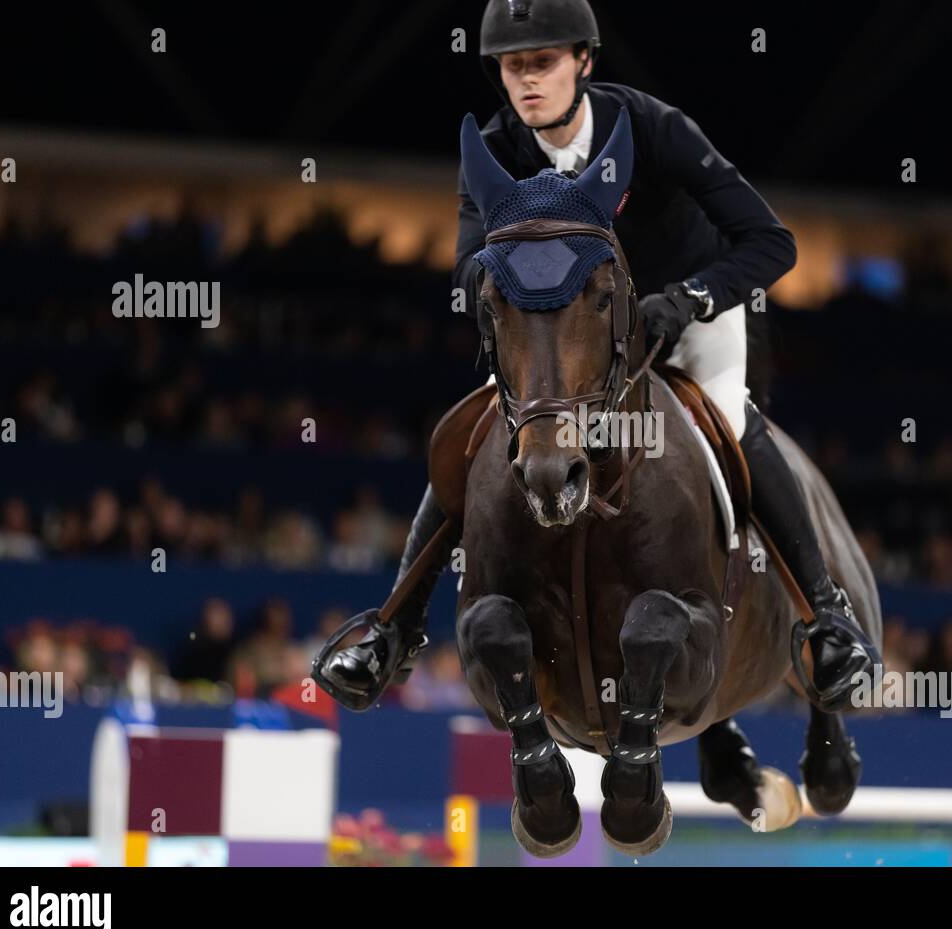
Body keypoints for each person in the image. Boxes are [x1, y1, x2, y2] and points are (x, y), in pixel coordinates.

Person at [314, 0, 879, 712]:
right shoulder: (495, 155)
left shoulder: (652, 127)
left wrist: (692, 298)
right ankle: (395, 626)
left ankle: (826, 620)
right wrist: (506, 290)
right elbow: (463, 270)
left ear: (584, 61)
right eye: (513, 67)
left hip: (684, 319)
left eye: (543, 63)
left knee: (733, 420)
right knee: (479, 433)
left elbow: (772, 243)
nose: (526, 81)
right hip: (568, 341)